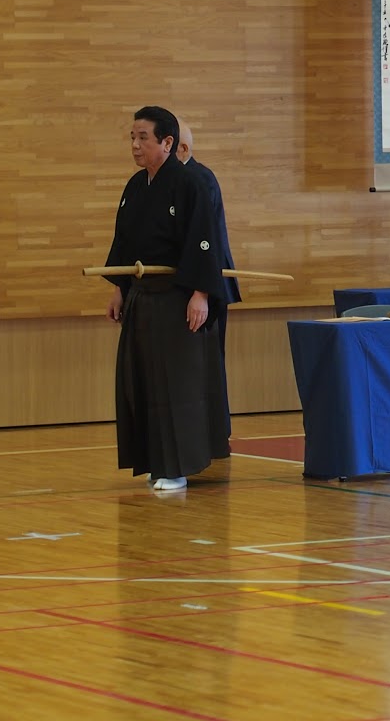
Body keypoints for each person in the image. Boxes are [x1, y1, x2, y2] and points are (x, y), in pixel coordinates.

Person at [103, 106, 230, 492]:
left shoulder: (190, 183)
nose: (135, 145)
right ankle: (155, 461)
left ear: (168, 142)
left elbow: (205, 241)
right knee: (141, 380)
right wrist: (119, 287)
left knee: (176, 385)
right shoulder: (135, 186)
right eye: (132, 137)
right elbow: (124, 241)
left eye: (143, 138)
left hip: (178, 298)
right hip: (143, 296)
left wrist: (200, 294)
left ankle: (176, 467)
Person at [176, 123, 240, 385]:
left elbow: (208, 237)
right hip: (182, 285)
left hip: (206, 284)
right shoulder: (167, 180)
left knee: (205, 366)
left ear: (182, 148)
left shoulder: (199, 179)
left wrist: (201, 292)